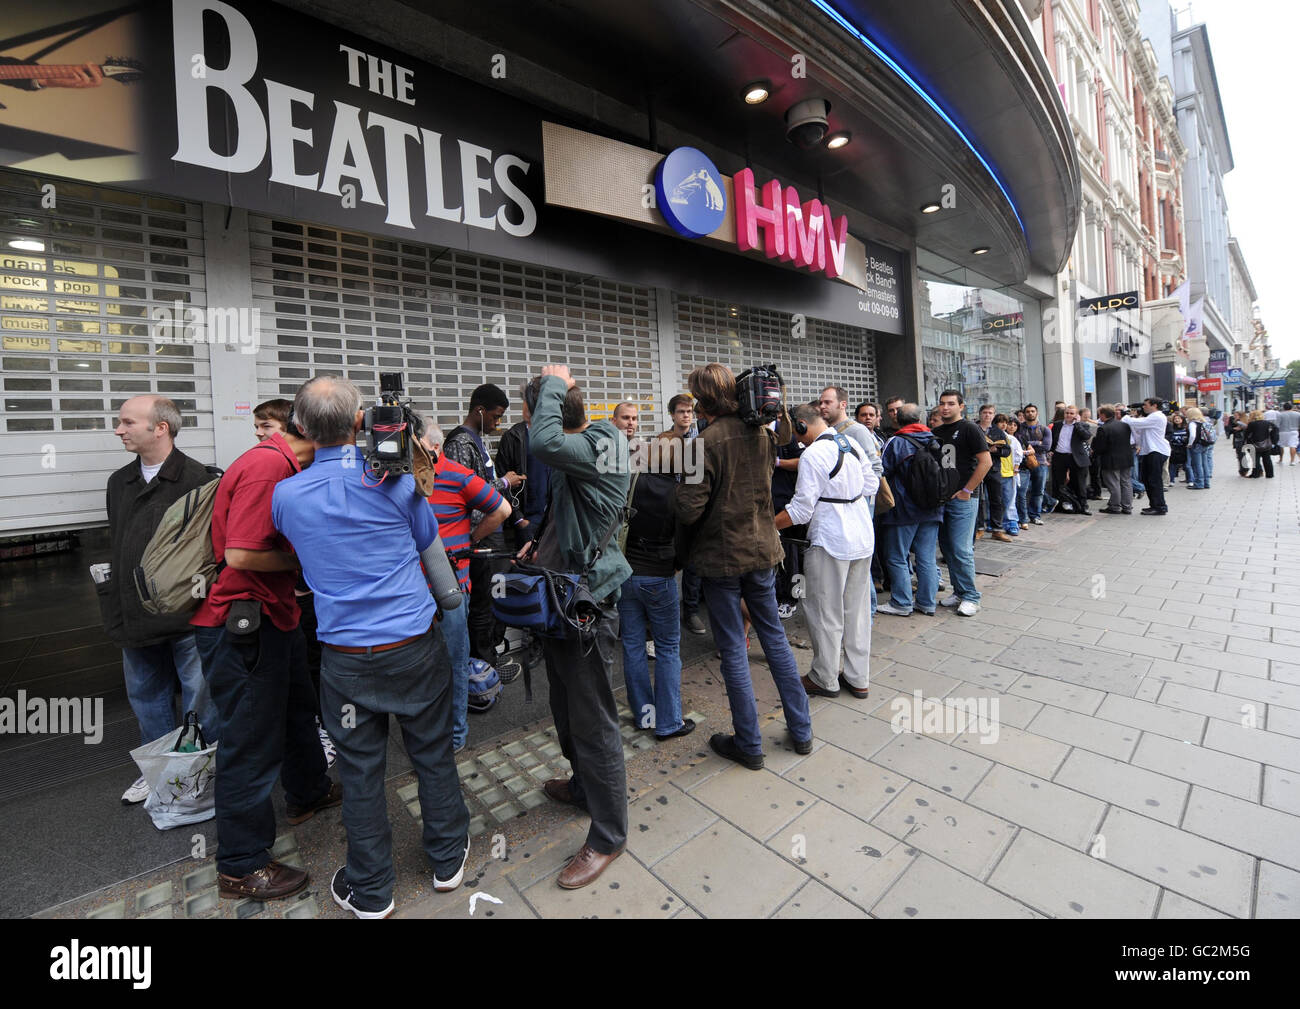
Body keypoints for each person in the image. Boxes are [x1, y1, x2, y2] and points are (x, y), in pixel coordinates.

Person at [273, 377, 471, 918]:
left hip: (344, 660)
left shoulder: (285, 496)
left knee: (360, 773)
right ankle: (447, 862)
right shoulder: (400, 485)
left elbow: (302, 554)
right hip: (414, 647)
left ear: (300, 427)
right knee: (432, 754)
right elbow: (440, 573)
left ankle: (371, 890)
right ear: (362, 422)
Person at [191, 417, 338, 901]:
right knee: (250, 741)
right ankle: (241, 864)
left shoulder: (280, 462)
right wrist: (310, 559)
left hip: (276, 615)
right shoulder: (268, 466)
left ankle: (309, 790)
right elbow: (241, 554)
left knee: (298, 708)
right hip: (242, 625)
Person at [518, 367, 632, 888]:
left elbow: (542, 442)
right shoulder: (584, 448)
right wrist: (538, 546)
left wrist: (552, 381)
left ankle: (609, 836)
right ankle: (584, 787)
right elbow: (568, 512)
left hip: (588, 607)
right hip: (563, 600)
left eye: (530, 413)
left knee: (593, 719)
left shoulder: (600, 444)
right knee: (564, 705)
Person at [675, 363, 812, 768]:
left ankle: (749, 745)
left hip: (723, 559)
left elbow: (687, 508)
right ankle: (801, 730)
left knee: (734, 648)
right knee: (775, 638)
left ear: (702, 398)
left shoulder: (704, 442)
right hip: (763, 551)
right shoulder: (763, 435)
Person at [103, 395, 218, 805]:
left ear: (160, 428)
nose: (119, 429)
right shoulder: (119, 482)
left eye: (127, 422)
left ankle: (198, 775)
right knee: (147, 697)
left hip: (189, 615)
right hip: (134, 616)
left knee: (200, 698)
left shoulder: (202, 480)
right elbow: (121, 545)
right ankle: (160, 773)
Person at [775, 403, 876, 698]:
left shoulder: (813, 454)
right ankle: (858, 678)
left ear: (802, 426)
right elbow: (870, 484)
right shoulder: (853, 443)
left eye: (794, 433)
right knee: (856, 612)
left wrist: (770, 524)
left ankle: (824, 677)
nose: (795, 440)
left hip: (830, 539)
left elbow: (800, 510)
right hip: (862, 536)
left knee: (824, 611)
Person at [422, 421, 511, 752]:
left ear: (433, 447)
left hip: (451, 593)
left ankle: (456, 735)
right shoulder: (403, 480)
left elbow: (502, 508)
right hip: (413, 595)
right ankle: (430, 735)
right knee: (423, 670)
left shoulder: (458, 476)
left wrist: (472, 539)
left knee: (454, 666)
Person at [444, 384, 525, 681]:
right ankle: (482, 669)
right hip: (476, 534)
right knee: (481, 604)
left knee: (489, 601)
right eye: (495, 416)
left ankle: (487, 660)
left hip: (489, 531)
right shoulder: (460, 444)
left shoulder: (476, 440)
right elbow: (462, 493)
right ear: (479, 410)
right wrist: (504, 483)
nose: (498, 423)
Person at [618, 438, 693, 740]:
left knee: (633, 646)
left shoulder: (630, 483)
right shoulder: (678, 492)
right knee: (667, 648)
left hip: (626, 574)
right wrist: (678, 564)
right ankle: (669, 722)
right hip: (659, 575)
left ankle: (644, 715)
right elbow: (685, 538)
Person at [875, 404, 943, 618]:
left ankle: (901, 602)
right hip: (932, 507)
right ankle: (927, 602)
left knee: (896, 556)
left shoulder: (896, 441)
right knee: (926, 557)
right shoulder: (934, 439)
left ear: (897, 420)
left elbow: (880, 470)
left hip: (903, 510)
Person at [932, 390, 992, 616]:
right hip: (942, 498)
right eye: (942, 404)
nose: (945, 408)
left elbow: (984, 462)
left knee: (960, 548)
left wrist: (967, 490)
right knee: (947, 548)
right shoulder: (936, 431)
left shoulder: (969, 428)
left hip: (963, 499)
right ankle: (959, 591)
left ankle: (971, 597)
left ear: (961, 406)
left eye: (950, 404)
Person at [658, 394, 706, 636]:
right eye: (681, 412)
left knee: (693, 563)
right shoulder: (665, 440)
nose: (686, 415)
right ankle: (668, 612)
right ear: (672, 414)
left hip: (696, 507)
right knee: (669, 559)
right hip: (671, 507)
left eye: (689, 411)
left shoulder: (704, 440)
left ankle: (691, 611)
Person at [1122, 398, 1171, 514]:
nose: (1143, 407)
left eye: (1145, 405)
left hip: (1156, 451)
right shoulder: (1151, 417)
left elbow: (1136, 423)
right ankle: (1154, 505)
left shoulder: (1157, 416)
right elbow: (1138, 430)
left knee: (1154, 480)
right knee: (1148, 480)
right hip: (1150, 451)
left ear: (1154, 406)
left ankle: (1159, 507)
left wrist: (1126, 414)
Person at [1048, 404, 1093, 515]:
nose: (1068, 415)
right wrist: (1051, 450)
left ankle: (1083, 506)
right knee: (1058, 482)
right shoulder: (1057, 425)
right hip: (1060, 456)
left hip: (1076, 457)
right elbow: (1053, 439)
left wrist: (1077, 424)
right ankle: (1060, 505)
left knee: (1080, 483)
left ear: (1076, 415)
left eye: (1071, 413)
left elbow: (1086, 436)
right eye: (1067, 413)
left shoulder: (1081, 425)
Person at [1092, 407, 1134, 514]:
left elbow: (1101, 447)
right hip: (1126, 457)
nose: (1099, 417)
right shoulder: (1124, 425)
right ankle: (1127, 506)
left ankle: (1115, 506)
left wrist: (1095, 450)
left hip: (1111, 459)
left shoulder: (1104, 428)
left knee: (1113, 483)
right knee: (1126, 482)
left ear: (1103, 415)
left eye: (1099, 414)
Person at [1018, 404, 1051, 525]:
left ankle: (1035, 515)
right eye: (1027, 411)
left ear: (1037, 413)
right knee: (1021, 491)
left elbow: (1046, 447)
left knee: (1038, 491)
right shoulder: (1019, 428)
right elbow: (1017, 443)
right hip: (1023, 463)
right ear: (1024, 414)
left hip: (1040, 463)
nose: (1030, 413)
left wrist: (1027, 444)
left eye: (1032, 411)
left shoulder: (1044, 429)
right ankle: (1023, 517)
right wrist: (1037, 442)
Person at [983, 412, 1013, 540]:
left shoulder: (998, 432)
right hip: (977, 468)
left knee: (997, 499)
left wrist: (997, 450)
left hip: (994, 469)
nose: (987, 415)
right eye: (985, 413)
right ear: (980, 414)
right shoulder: (974, 428)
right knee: (978, 500)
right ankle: (979, 528)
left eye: (990, 413)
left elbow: (1007, 451)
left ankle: (997, 529)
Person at [1243, 410, 1278, 479]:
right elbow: (1275, 430)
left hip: (1254, 444)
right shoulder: (1268, 423)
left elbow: (1247, 434)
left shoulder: (1251, 424)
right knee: (1267, 459)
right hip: (1266, 444)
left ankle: (1256, 474)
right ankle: (1270, 474)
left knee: (1255, 460)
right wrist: (1273, 441)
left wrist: (1246, 442)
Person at [1183, 407, 1211, 489]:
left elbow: (1192, 435)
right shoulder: (1204, 422)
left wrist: (1190, 444)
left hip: (1196, 445)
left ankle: (1199, 483)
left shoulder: (1192, 423)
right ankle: (1206, 482)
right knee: (1204, 464)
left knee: (1197, 465)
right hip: (1204, 444)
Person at [1166, 412, 1190, 485]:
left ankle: (1190, 480)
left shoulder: (1186, 428)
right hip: (1174, 448)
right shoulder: (1172, 428)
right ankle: (1171, 480)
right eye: (1175, 419)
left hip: (1184, 448)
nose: (1177, 420)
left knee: (1187, 465)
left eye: (1178, 418)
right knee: (1172, 465)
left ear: (1182, 419)